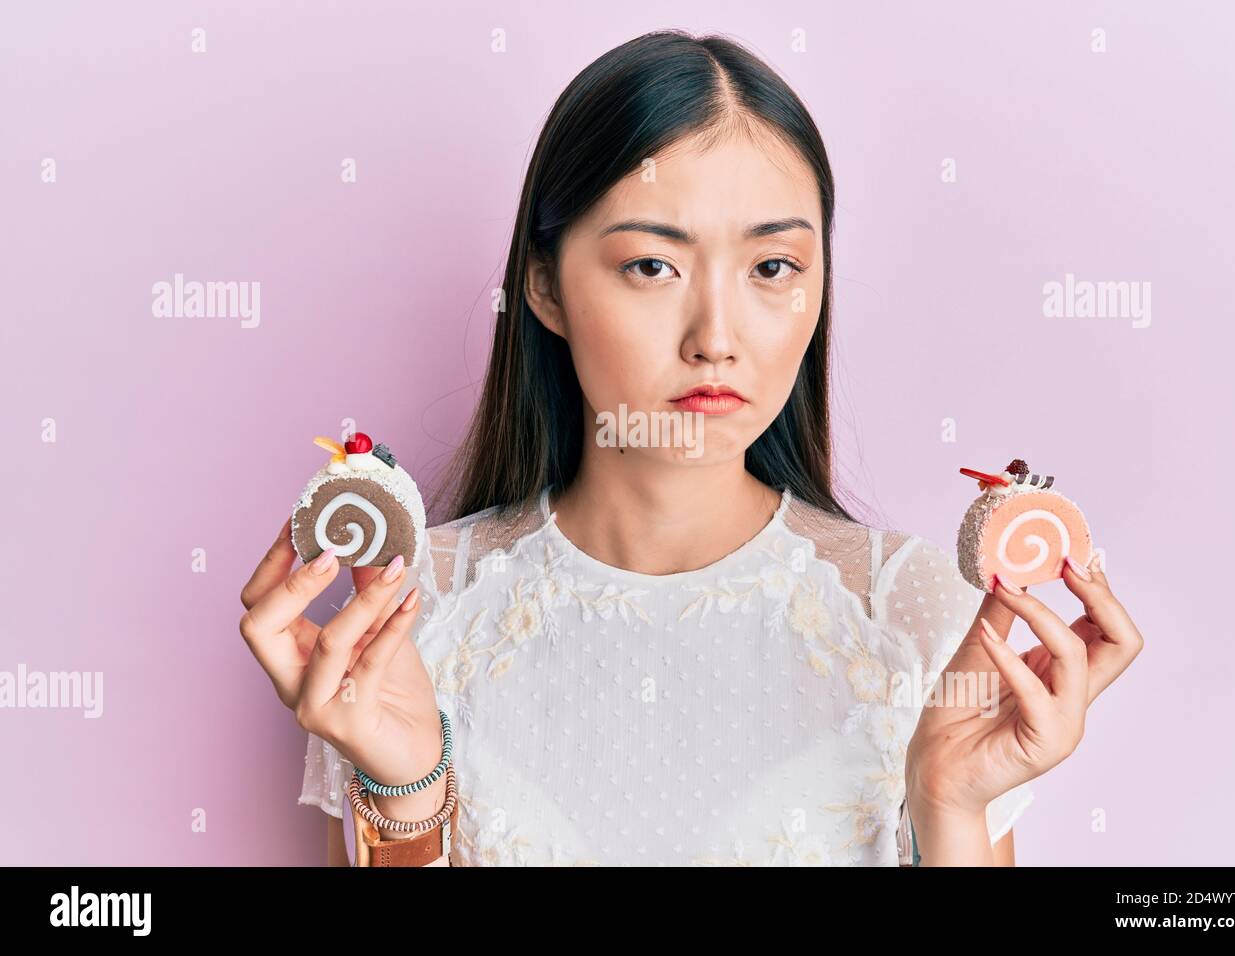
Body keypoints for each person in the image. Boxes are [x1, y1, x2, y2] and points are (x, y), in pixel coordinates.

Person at [240, 29, 1143, 867]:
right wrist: (407, 789)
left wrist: (948, 811)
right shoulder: (405, 614)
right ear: (546, 287)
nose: (717, 335)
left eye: (772, 268)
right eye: (652, 266)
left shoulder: (922, 615)